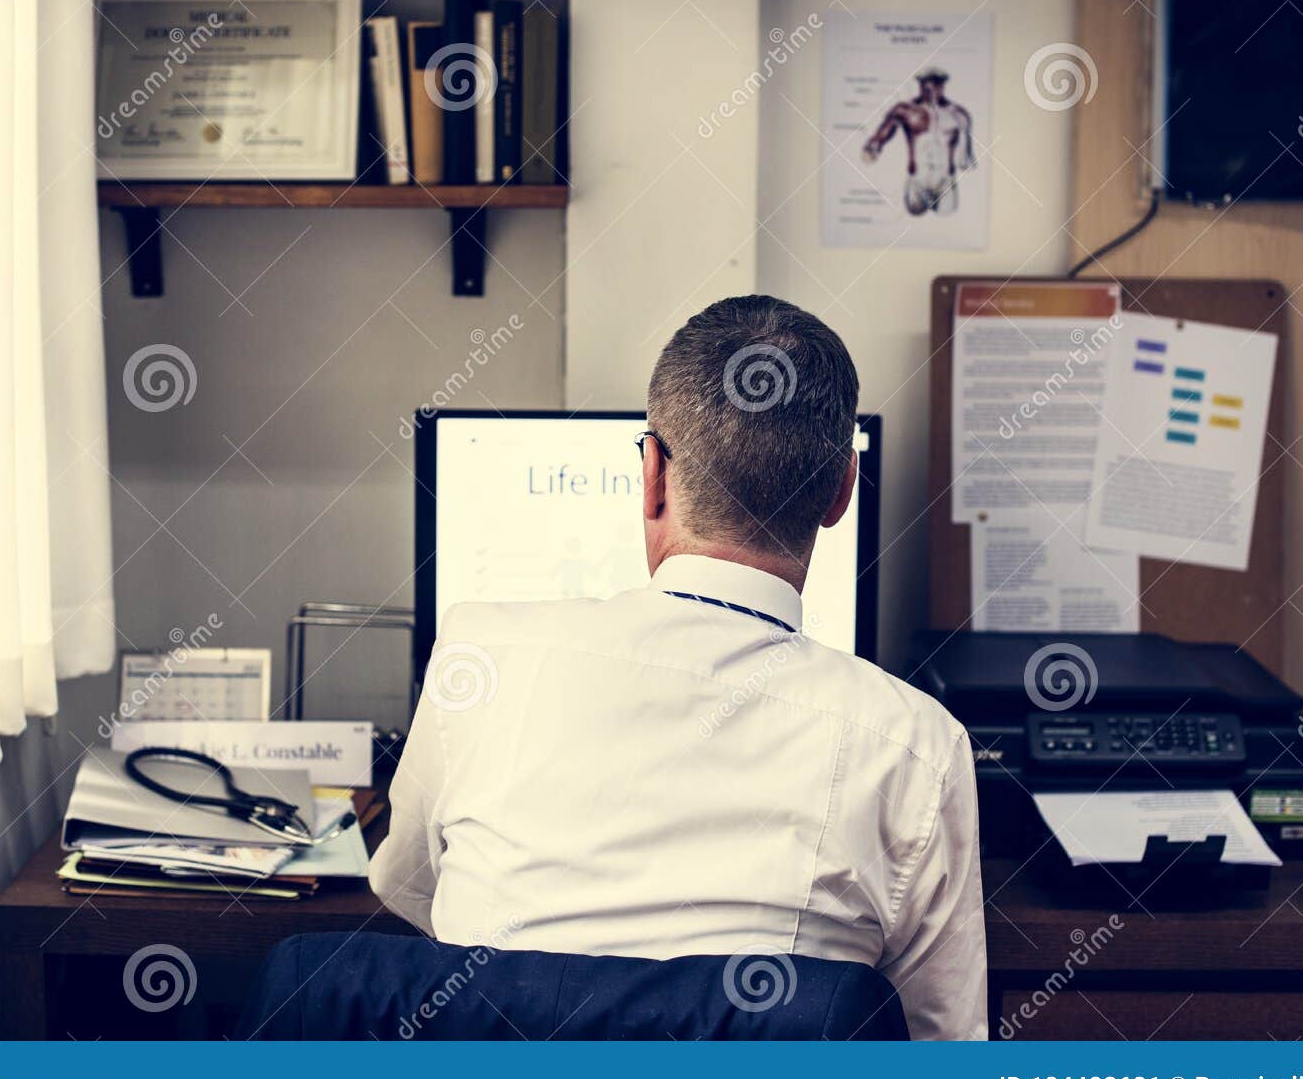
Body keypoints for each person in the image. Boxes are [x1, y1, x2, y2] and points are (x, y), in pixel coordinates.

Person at [370, 295, 986, 1040]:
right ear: (842, 491)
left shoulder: (481, 653)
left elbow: (410, 891)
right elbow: (941, 1049)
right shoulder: (919, 745)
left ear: (652, 473)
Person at [862, 66, 976, 217]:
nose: (931, 89)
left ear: (943, 85)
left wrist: (966, 160)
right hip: (917, 180)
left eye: (936, 84)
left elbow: (966, 158)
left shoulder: (959, 115)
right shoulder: (905, 110)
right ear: (920, 84)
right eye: (927, 84)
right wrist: (873, 147)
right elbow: (882, 134)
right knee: (914, 220)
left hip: (946, 181)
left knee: (945, 221)